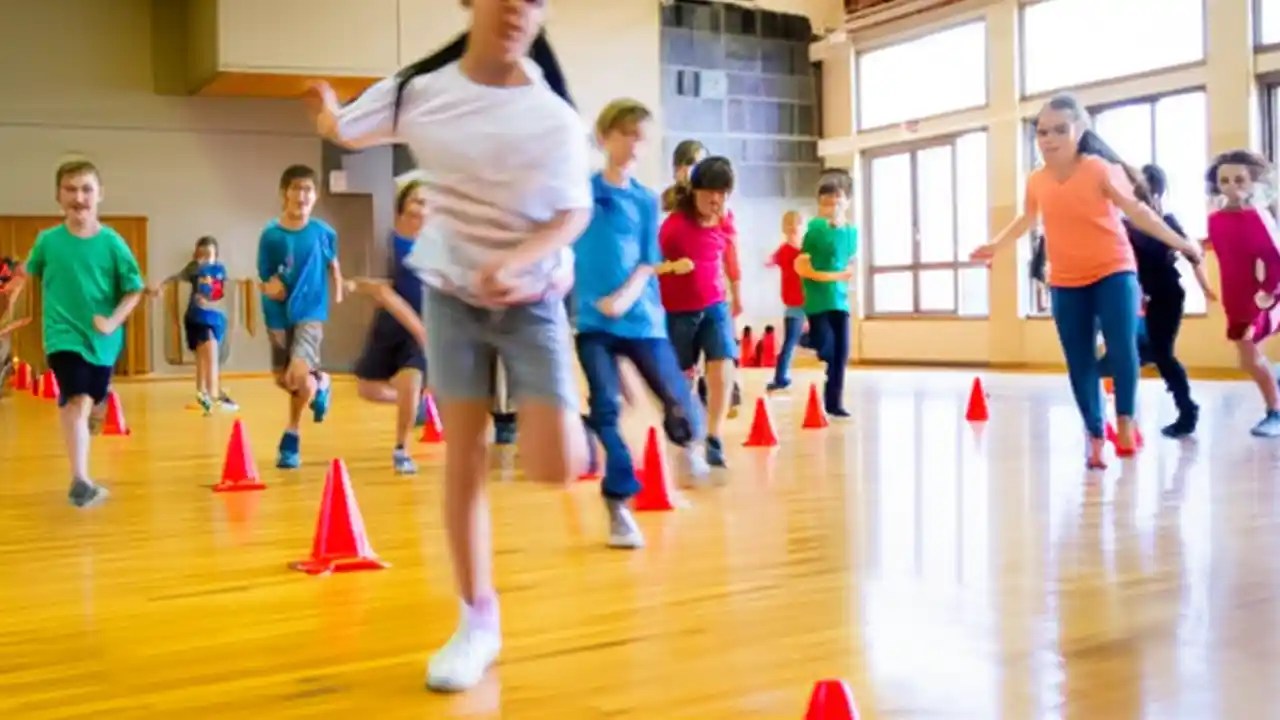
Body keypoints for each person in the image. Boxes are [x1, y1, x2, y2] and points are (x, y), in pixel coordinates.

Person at [306, 0, 593, 692]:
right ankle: (477, 618)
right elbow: (343, 129)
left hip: (534, 301)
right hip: (452, 295)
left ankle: (579, 427)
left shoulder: (553, 116)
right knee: (461, 456)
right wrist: (324, 110)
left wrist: (518, 259)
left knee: (557, 467)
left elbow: (573, 211)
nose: (522, 9)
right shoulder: (420, 92)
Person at [971, 93, 1202, 469]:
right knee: (1079, 360)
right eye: (1042, 132)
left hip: (1114, 270)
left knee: (1122, 345)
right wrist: (995, 245)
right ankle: (1095, 434)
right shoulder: (1037, 180)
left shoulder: (1098, 169)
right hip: (1065, 279)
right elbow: (1027, 218)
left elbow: (1138, 212)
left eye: (1060, 130)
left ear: (1080, 130)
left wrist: (1182, 243)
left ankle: (1124, 421)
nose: (1049, 139)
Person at [575, 98, 708, 548]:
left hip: (642, 321)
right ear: (604, 137)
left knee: (678, 404)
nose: (633, 143)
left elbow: (649, 262)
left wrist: (624, 298)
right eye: (625, 132)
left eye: (641, 136)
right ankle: (618, 508)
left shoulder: (646, 200)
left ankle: (688, 439)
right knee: (607, 408)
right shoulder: (582, 193)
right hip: (593, 325)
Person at [9, 160, 145, 506]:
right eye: (70, 189)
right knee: (77, 399)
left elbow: (134, 290)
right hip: (61, 335)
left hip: (102, 340)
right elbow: (27, 271)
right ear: (58, 196)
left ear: (100, 195)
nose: (79, 197)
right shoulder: (48, 241)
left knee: (91, 400)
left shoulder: (113, 243)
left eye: (86, 189)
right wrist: (12, 294)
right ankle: (80, 479)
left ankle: (89, 422)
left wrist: (113, 322)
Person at [1095, 164, 1216, 438]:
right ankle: (1135, 367)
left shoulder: (1167, 222)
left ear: (1156, 191)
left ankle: (1187, 413)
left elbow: (1194, 255)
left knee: (1163, 355)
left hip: (1167, 294)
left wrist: (1206, 287)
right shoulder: (1126, 224)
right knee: (1151, 352)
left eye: (1144, 188)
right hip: (1140, 297)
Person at [257, 164, 344, 469]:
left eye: (308, 189)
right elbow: (264, 273)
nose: (302, 195)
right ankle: (321, 382)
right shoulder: (271, 235)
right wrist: (272, 286)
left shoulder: (324, 233)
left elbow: (333, 262)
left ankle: (291, 436)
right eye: (296, 188)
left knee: (297, 375)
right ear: (284, 194)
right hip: (278, 313)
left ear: (315, 196)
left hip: (310, 312)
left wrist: (339, 288)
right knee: (285, 379)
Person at [659, 157, 741, 468]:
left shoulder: (725, 219)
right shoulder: (674, 227)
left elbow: (730, 255)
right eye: (709, 193)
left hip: (715, 306)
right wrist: (671, 268)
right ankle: (685, 429)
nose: (715, 199)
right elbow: (648, 267)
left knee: (722, 365)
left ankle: (715, 436)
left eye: (722, 193)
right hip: (678, 311)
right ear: (694, 192)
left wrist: (738, 293)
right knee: (683, 377)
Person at [348, 176, 431, 473]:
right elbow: (379, 288)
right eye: (418, 201)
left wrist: (423, 332)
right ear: (402, 207)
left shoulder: (436, 248)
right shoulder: (388, 243)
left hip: (422, 326)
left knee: (412, 379)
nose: (423, 209)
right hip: (389, 325)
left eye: (428, 204)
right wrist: (358, 286)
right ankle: (415, 403)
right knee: (368, 389)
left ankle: (402, 449)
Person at [1204, 149, 1280, 437]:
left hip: (1259, 298)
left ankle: (1275, 411)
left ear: (1253, 182)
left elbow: (1275, 260)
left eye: (1239, 180)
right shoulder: (1216, 219)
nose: (1232, 186)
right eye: (1225, 181)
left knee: (1249, 357)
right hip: (1233, 298)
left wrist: (1267, 292)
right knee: (1246, 358)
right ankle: (1275, 382)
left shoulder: (1258, 217)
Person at [149, 236, 238, 414]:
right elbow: (175, 277)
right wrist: (160, 286)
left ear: (216, 255)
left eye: (209, 255)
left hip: (213, 318)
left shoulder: (219, 270)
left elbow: (217, 292)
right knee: (208, 354)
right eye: (201, 255)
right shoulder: (193, 268)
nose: (204, 259)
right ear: (195, 255)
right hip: (197, 319)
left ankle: (203, 395)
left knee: (205, 358)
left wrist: (209, 298)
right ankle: (213, 396)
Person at [796, 172, 857, 417]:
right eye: (827, 203)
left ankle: (834, 403)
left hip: (839, 299)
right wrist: (834, 276)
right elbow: (805, 266)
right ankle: (807, 339)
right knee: (826, 346)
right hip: (818, 298)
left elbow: (850, 262)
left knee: (840, 354)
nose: (833, 207)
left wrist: (844, 277)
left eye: (838, 201)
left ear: (847, 202)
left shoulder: (851, 232)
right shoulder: (815, 229)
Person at [766, 210, 806, 392]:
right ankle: (780, 377)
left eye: (796, 223)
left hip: (810, 301)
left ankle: (781, 377)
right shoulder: (784, 251)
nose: (792, 227)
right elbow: (773, 259)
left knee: (796, 339)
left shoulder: (805, 251)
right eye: (788, 224)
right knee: (790, 341)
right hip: (793, 303)